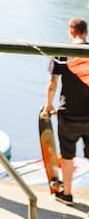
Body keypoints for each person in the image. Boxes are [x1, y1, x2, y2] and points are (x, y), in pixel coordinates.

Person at [44, 17, 89, 205]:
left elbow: (52, 84)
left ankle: (68, 194)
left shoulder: (62, 53)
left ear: (71, 31)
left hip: (68, 114)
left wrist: (48, 105)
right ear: (85, 32)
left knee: (68, 155)